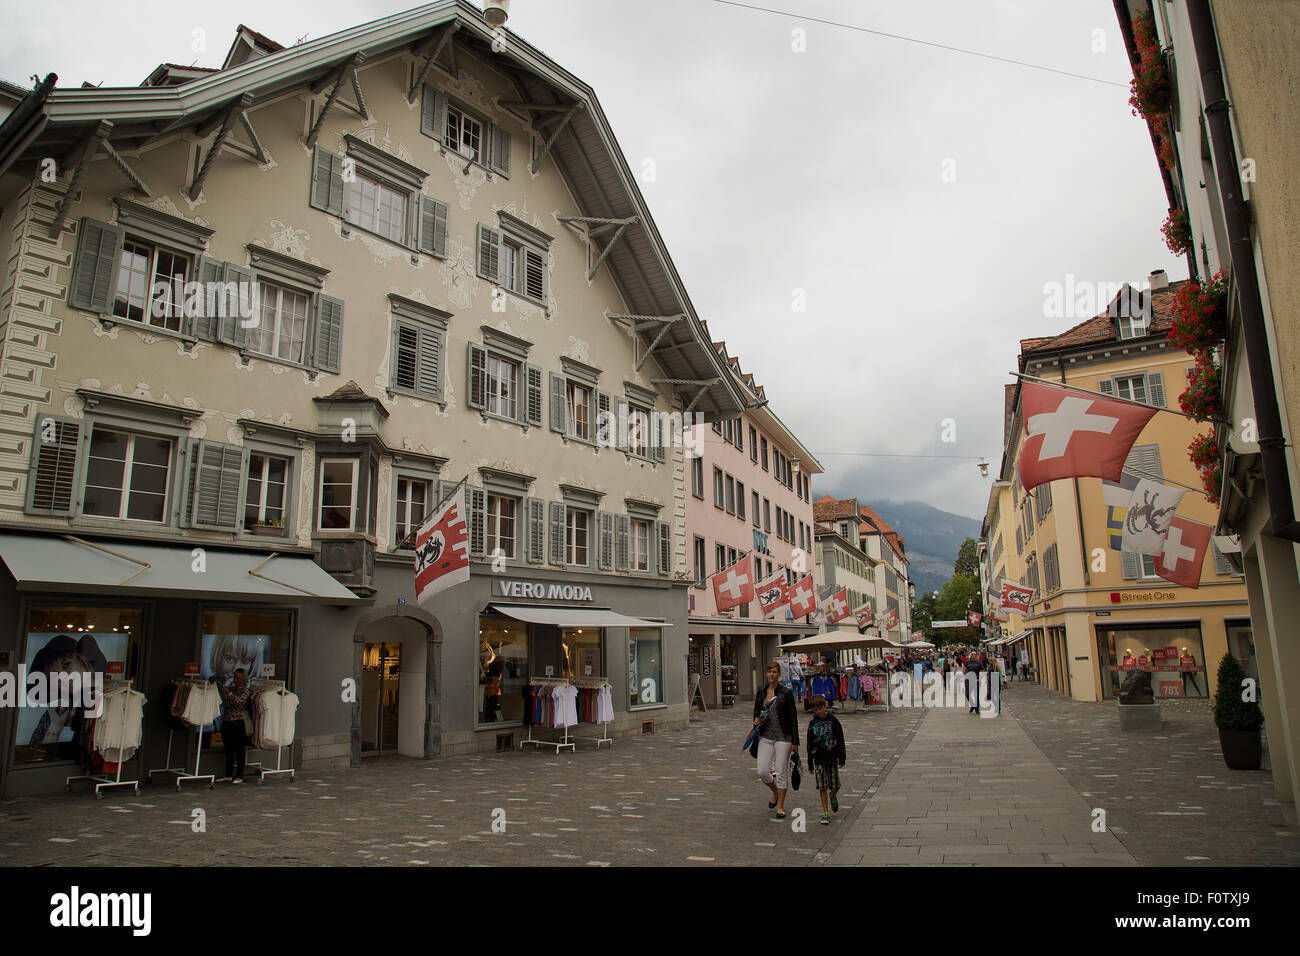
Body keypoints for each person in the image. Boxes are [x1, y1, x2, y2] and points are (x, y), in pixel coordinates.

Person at [751, 661, 799, 818]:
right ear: (766, 674)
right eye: (769, 672)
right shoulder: (761, 692)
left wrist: (795, 741)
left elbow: (793, 717)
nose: (771, 675)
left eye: (774, 672)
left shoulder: (785, 692)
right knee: (763, 771)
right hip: (766, 736)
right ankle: (775, 792)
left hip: (783, 737)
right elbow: (756, 712)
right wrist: (756, 720)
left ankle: (780, 806)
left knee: (780, 771)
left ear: (779, 674)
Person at [806, 695, 846, 825]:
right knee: (822, 786)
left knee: (835, 785)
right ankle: (825, 812)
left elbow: (840, 739)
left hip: (832, 758)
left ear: (825, 707)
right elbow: (809, 744)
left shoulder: (833, 721)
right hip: (819, 759)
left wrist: (842, 757)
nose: (819, 711)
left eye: (821, 708)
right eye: (816, 709)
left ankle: (833, 795)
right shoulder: (812, 724)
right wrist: (810, 763)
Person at [216, 668, 253, 783]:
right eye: (234, 677)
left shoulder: (246, 691)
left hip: (238, 722)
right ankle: (228, 774)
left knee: (239, 749)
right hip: (227, 721)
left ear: (243, 679)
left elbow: (239, 702)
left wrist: (228, 693)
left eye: (237, 678)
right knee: (228, 749)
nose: (235, 680)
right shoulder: (231, 688)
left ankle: (239, 775)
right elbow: (225, 699)